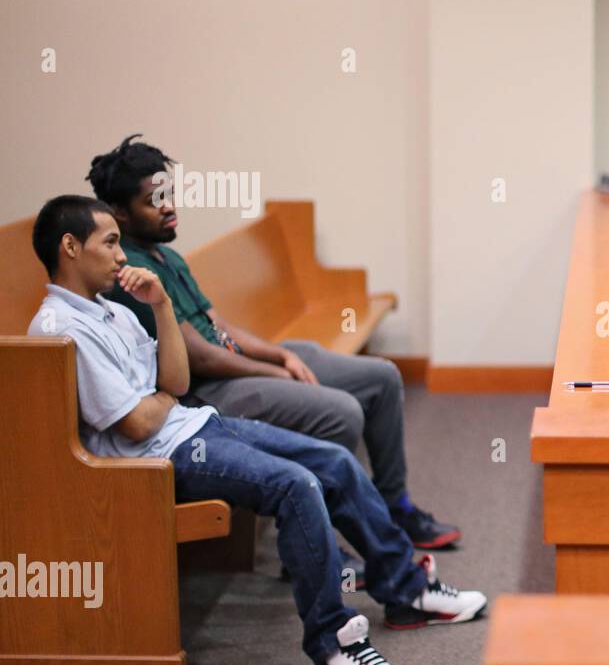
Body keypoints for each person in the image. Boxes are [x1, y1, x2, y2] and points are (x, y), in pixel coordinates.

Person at [28, 195, 487, 665]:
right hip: (154, 461)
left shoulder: (110, 311)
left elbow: (176, 383)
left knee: (332, 459)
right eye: (110, 243)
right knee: (296, 485)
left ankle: (407, 590)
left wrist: (160, 306)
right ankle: (333, 647)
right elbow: (136, 424)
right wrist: (161, 396)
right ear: (70, 247)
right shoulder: (60, 329)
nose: (121, 256)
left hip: (191, 424)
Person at [86, 135, 459, 567]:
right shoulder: (133, 272)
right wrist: (270, 373)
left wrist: (280, 356)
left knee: (382, 377)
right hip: (207, 390)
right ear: (119, 213)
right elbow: (199, 357)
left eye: (171, 195)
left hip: (230, 365)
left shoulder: (166, 255)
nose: (170, 206)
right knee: (341, 412)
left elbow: (218, 325)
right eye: (155, 201)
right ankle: (313, 546)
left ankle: (396, 507)